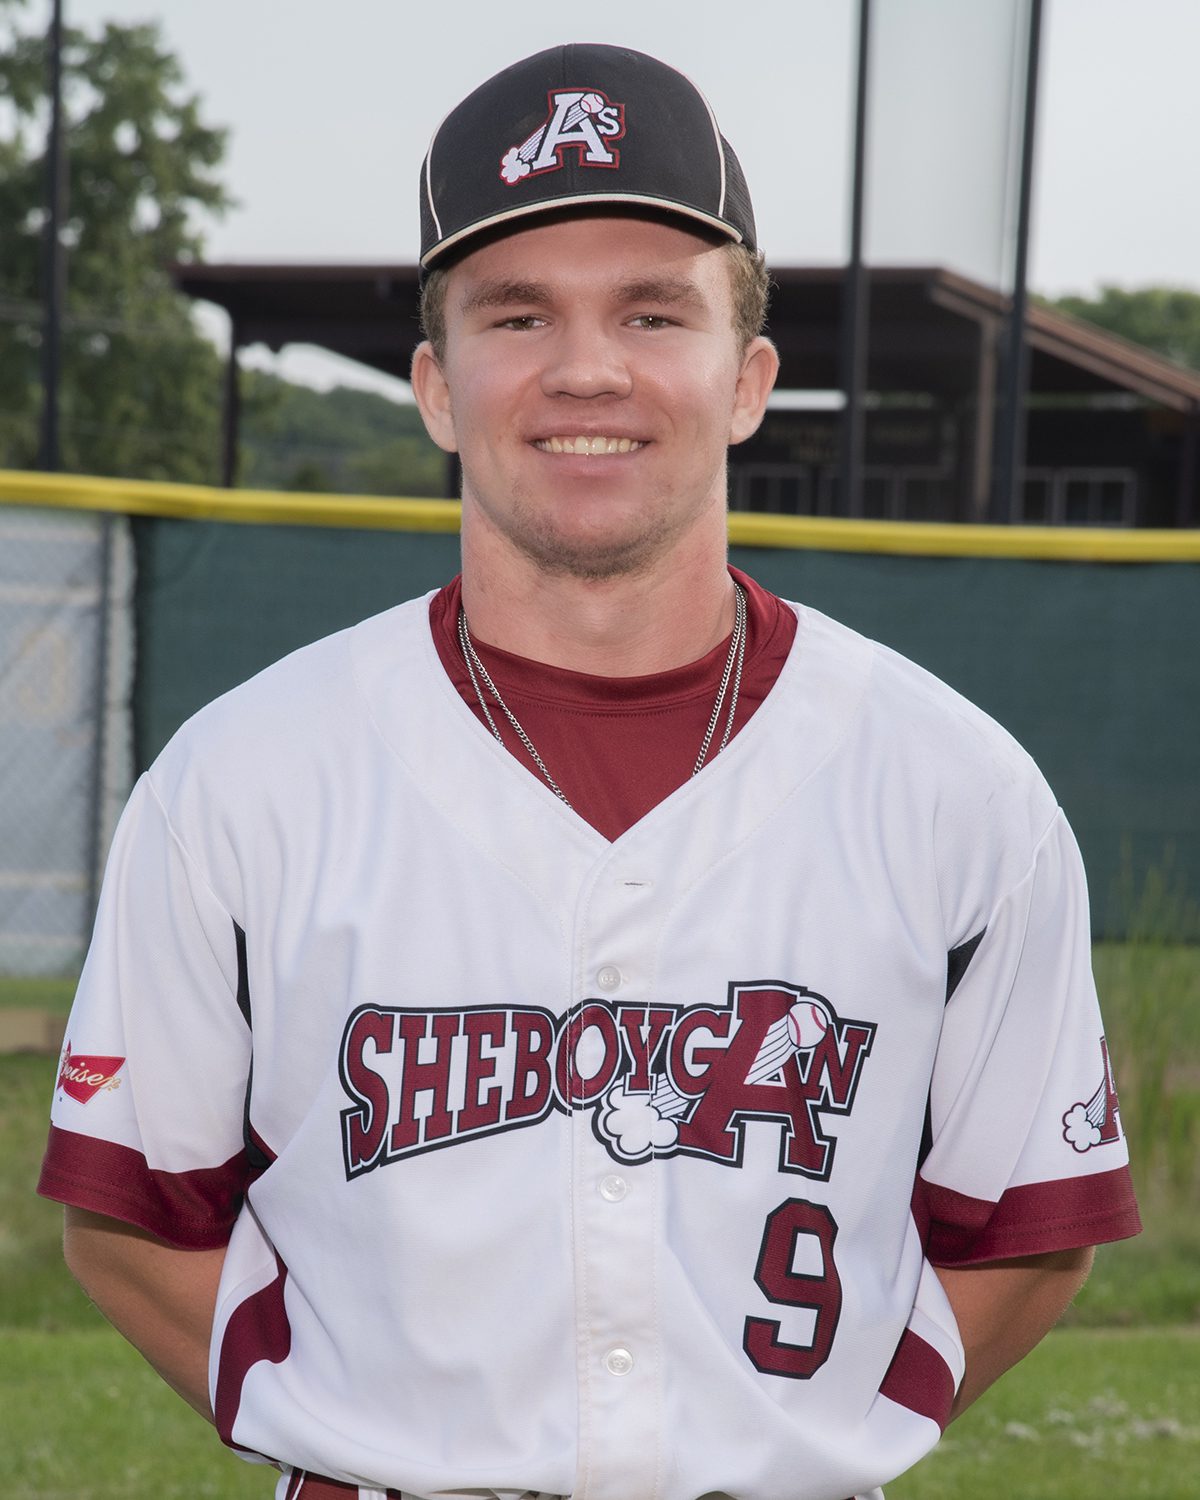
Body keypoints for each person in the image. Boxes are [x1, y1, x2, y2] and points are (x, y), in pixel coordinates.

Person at [40, 43, 1140, 1500]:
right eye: (516, 314)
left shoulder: (960, 792)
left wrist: (816, 1447)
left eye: (652, 312)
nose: (586, 370)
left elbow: (1026, 1226)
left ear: (748, 379)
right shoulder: (240, 779)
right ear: (436, 386)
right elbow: (134, 1219)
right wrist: (344, 1439)